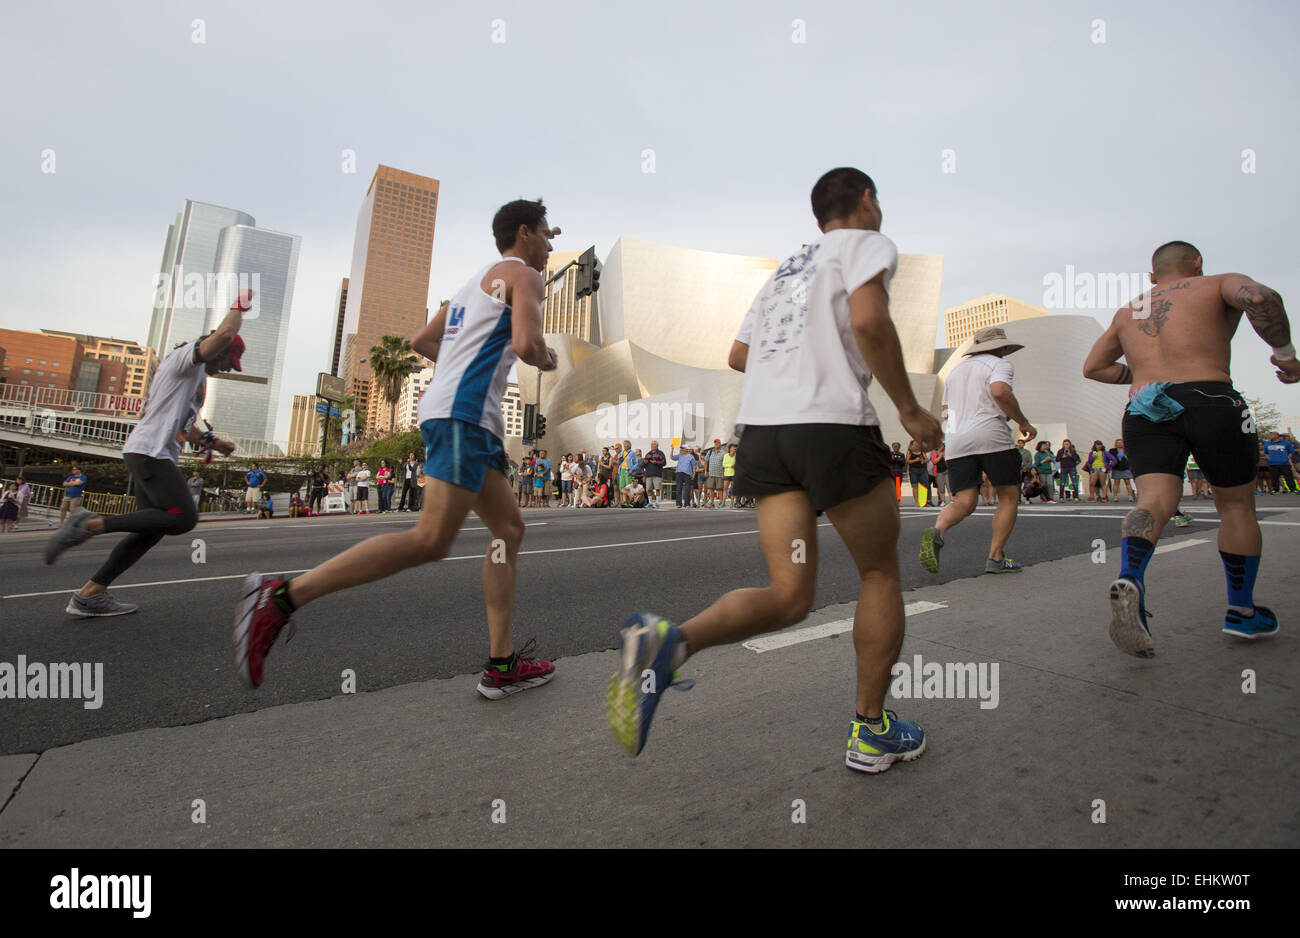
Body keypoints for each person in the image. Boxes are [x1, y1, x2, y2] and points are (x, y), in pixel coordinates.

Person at [608, 167, 943, 773]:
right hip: (834, 428)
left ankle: (670, 642)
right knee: (878, 574)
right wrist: (909, 408)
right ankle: (870, 730)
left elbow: (737, 355)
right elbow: (870, 322)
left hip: (765, 436)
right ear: (865, 201)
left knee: (789, 595)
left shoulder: (785, 272)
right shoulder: (866, 241)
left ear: (816, 217)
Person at [233, 198, 561, 697]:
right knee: (429, 540)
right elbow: (524, 345)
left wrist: (458, 366)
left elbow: (421, 341)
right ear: (524, 234)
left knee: (508, 527)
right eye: (546, 233)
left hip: (465, 415)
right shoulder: (524, 276)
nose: (551, 245)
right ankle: (281, 597)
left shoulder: (471, 286)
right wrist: (547, 357)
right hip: (464, 417)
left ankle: (502, 663)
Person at [1082, 239, 1299, 656]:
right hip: (1211, 397)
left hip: (1145, 404)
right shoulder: (1218, 283)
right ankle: (1240, 610)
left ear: (1152, 276)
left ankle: (1130, 575)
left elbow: (1093, 367)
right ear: (1196, 264)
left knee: (1155, 500)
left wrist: (1147, 374)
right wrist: (1285, 354)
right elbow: (1261, 298)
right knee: (1235, 505)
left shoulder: (1129, 309)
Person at [43, 290, 250, 616]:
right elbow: (225, 332)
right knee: (183, 518)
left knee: (151, 529)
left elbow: (184, 424)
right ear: (217, 348)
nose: (228, 368)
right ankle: (88, 524)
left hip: (150, 452)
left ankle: (89, 595)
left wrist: (211, 442)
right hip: (150, 452)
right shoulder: (186, 358)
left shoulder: (196, 378)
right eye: (227, 360)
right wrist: (240, 306)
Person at [920, 326, 1036, 575]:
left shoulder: (954, 371)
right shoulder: (998, 364)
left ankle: (938, 529)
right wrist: (1023, 422)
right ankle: (995, 557)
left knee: (964, 500)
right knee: (1008, 495)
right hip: (991, 436)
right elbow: (999, 391)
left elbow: (945, 410)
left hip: (957, 440)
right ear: (1003, 347)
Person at [643, 441, 666, 508]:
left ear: (657, 446)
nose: (652, 446)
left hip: (657, 474)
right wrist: (645, 462)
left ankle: (657, 502)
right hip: (648, 474)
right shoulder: (648, 454)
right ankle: (650, 502)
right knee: (649, 489)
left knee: (657, 488)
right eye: (652, 444)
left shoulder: (660, 453)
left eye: (654, 445)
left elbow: (664, 463)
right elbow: (644, 465)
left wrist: (656, 462)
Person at [906, 440, 927, 506]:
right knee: (915, 486)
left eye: (917, 444)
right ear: (912, 445)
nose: (916, 445)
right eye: (915, 444)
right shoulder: (910, 452)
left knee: (923, 485)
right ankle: (916, 501)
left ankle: (922, 501)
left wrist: (923, 460)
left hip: (922, 470)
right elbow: (907, 461)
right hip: (913, 470)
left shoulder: (922, 452)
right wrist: (915, 460)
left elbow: (927, 459)